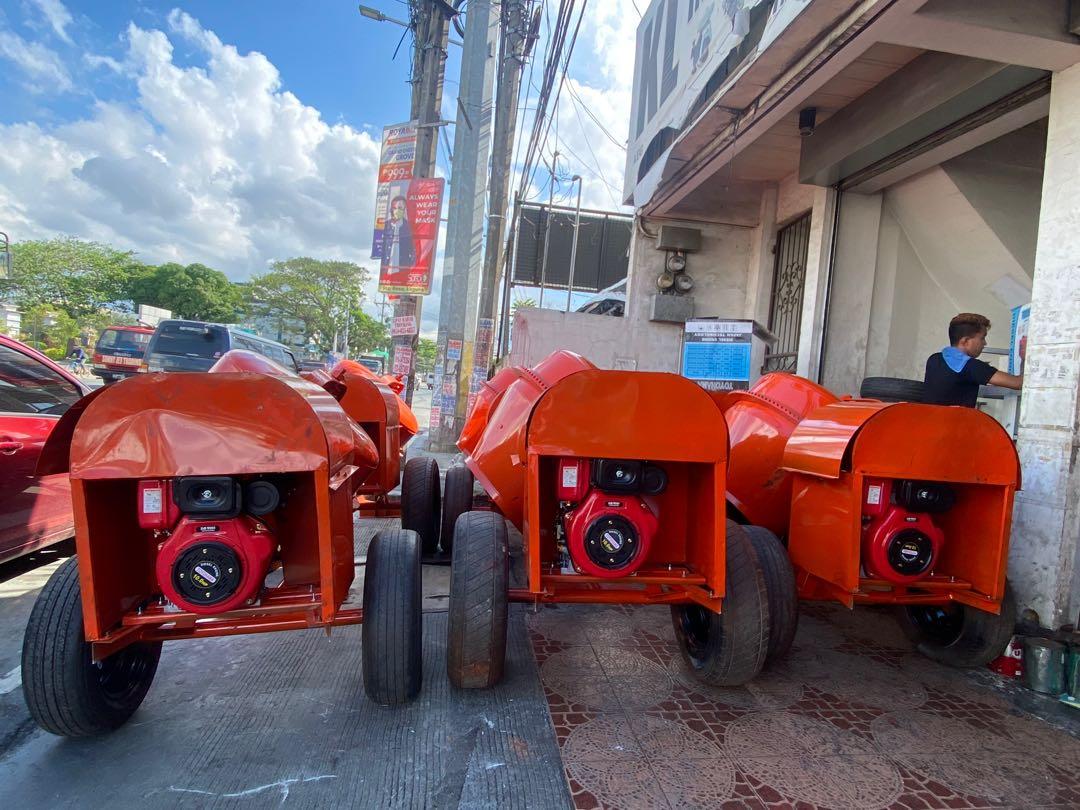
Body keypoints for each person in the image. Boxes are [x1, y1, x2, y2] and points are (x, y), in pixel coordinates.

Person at [923, 313, 1022, 407]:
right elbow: (1018, 383)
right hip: (957, 423)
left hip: (930, 422)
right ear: (965, 341)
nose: (985, 343)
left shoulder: (934, 359)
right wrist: (1025, 355)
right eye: (982, 338)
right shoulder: (970, 366)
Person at [381, 195, 416, 271]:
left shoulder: (410, 228)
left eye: (400, 208)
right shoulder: (385, 226)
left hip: (403, 272)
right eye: (394, 208)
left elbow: (414, 251)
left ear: (404, 209)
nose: (397, 211)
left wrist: (411, 268)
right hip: (386, 272)